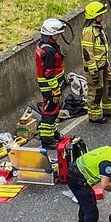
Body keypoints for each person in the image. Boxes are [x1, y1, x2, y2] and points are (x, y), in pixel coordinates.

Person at [67, 138, 111, 222]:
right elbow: (105, 185)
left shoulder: (108, 149)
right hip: (78, 179)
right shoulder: (107, 163)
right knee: (91, 209)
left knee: (85, 204)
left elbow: (107, 176)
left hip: (74, 172)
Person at [81, 1, 111, 124]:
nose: (103, 17)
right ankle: (95, 115)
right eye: (101, 15)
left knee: (108, 85)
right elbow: (88, 53)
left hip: (102, 65)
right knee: (96, 91)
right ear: (94, 16)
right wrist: (93, 71)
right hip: (95, 68)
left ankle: (108, 109)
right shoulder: (89, 32)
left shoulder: (97, 28)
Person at [35, 18, 66, 149]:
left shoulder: (45, 46)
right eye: (56, 34)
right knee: (50, 112)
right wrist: (55, 89)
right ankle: (46, 140)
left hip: (52, 86)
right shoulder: (48, 51)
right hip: (51, 87)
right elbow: (49, 73)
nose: (58, 36)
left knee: (55, 109)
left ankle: (53, 133)